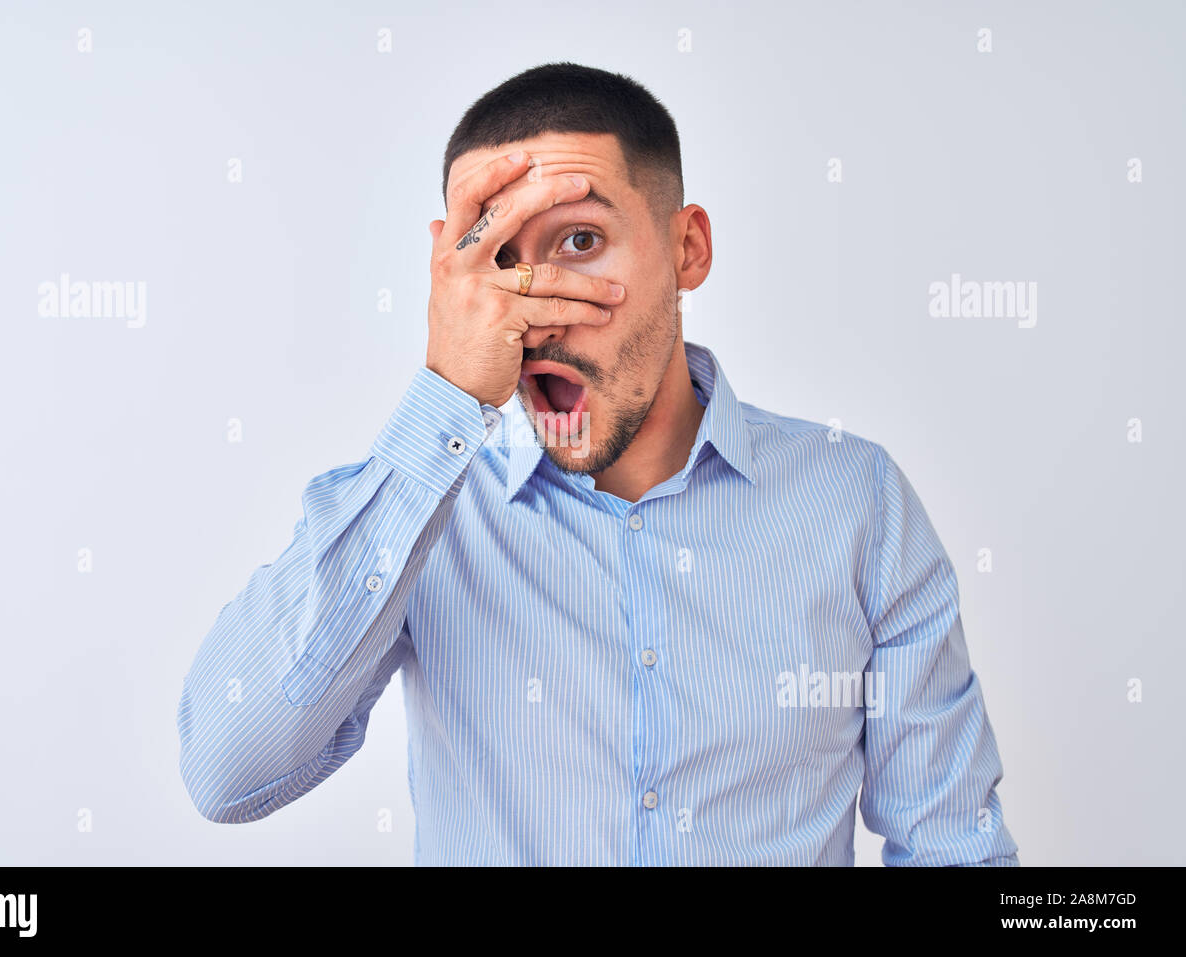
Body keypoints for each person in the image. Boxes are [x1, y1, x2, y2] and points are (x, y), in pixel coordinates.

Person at [177, 61, 1019, 866]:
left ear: (688, 249)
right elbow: (226, 771)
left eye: (581, 239)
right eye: (497, 257)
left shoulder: (855, 502)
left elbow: (956, 845)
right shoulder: (422, 510)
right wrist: (443, 395)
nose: (537, 311)